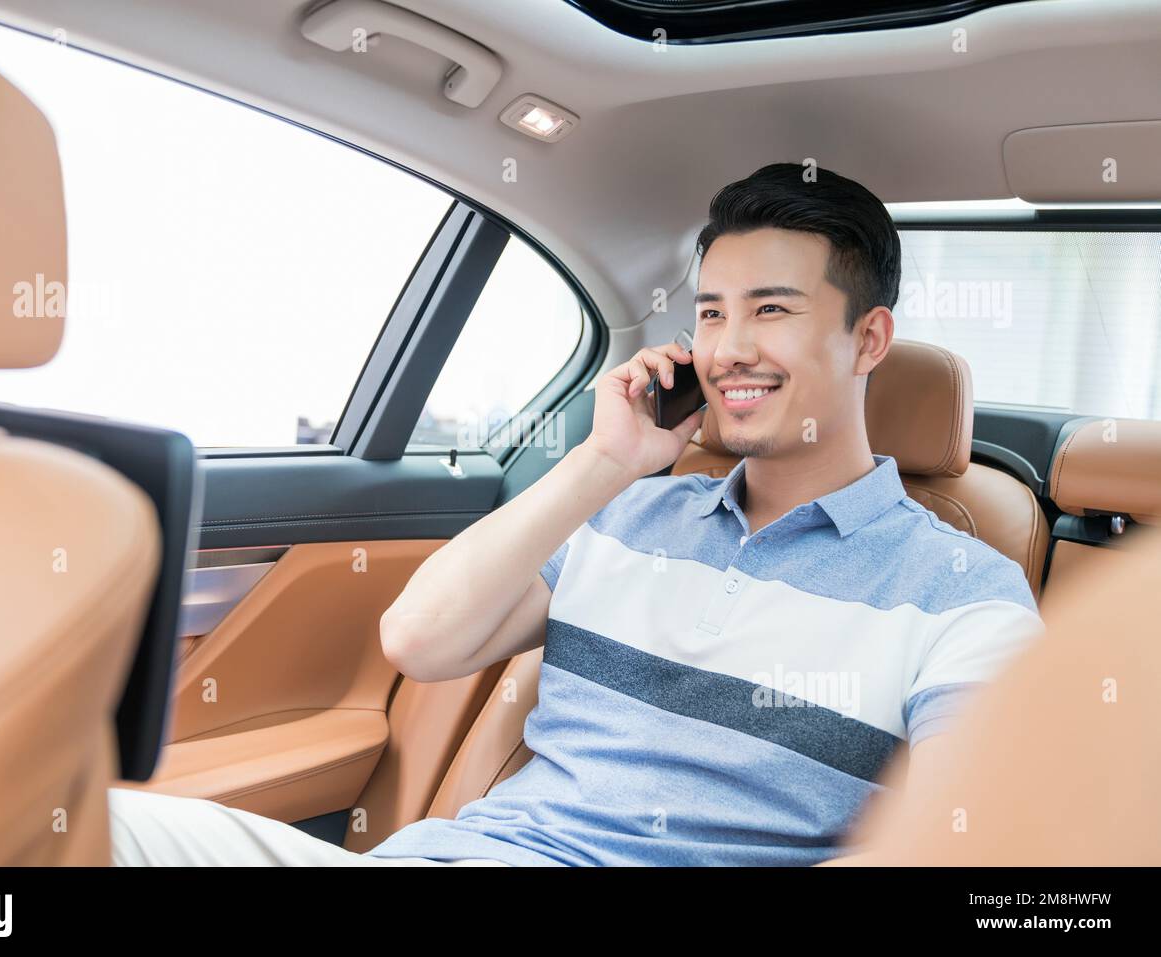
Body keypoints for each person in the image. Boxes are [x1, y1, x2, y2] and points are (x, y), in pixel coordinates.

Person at [108, 162, 1043, 866]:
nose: (729, 349)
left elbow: (985, 840)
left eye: (771, 310)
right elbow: (418, 639)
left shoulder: (964, 591)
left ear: (868, 337)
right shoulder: (630, 512)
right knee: (78, 822)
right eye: (711, 314)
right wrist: (605, 462)